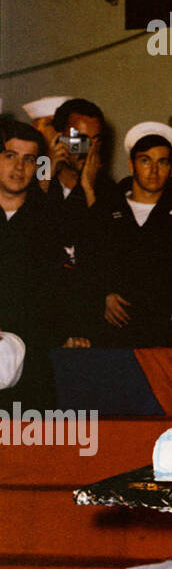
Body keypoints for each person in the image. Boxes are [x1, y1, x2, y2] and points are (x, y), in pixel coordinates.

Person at [82, 122, 172, 348]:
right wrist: (102, 296)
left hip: (168, 336)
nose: (153, 171)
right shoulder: (106, 211)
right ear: (131, 165)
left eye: (162, 162)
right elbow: (86, 268)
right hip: (112, 338)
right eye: (145, 160)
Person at [0, 115, 66, 405]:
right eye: (10, 156)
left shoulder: (50, 222)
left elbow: (56, 295)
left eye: (29, 160)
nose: (19, 167)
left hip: (31, 363)